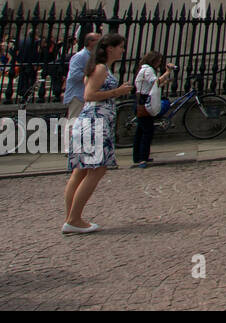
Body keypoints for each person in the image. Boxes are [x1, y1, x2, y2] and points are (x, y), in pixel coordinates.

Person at [64, 33, 131, 234]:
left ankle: (71, 218)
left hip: (91, 121)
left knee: (80, 171)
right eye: (120, 46)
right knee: (97, 169)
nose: (122, 50)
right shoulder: (101, 68)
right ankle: (74, 219)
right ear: (110, 48)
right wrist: (117, 92)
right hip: (95, 122)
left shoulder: (99, 67)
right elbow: (89, 95)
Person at [132, 52, 172, 168]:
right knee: (147, 131)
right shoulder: (148, 70)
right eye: (158, 60)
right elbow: (156, 82)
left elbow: (153, 85)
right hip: (144, 101)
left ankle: (138, 156)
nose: (159, 63)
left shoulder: (144, 69)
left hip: (141, 99)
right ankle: (142, 158)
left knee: (140, 130)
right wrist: (167, 72)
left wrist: (165, 81)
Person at [63, 29, 102, 121]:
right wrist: (93, 76)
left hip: (87, 94)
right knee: (74, 121)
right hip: (77, 95)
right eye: (98, 40)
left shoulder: (94, 56)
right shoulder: (80, 56)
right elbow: (74, 75)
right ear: (90, 42)